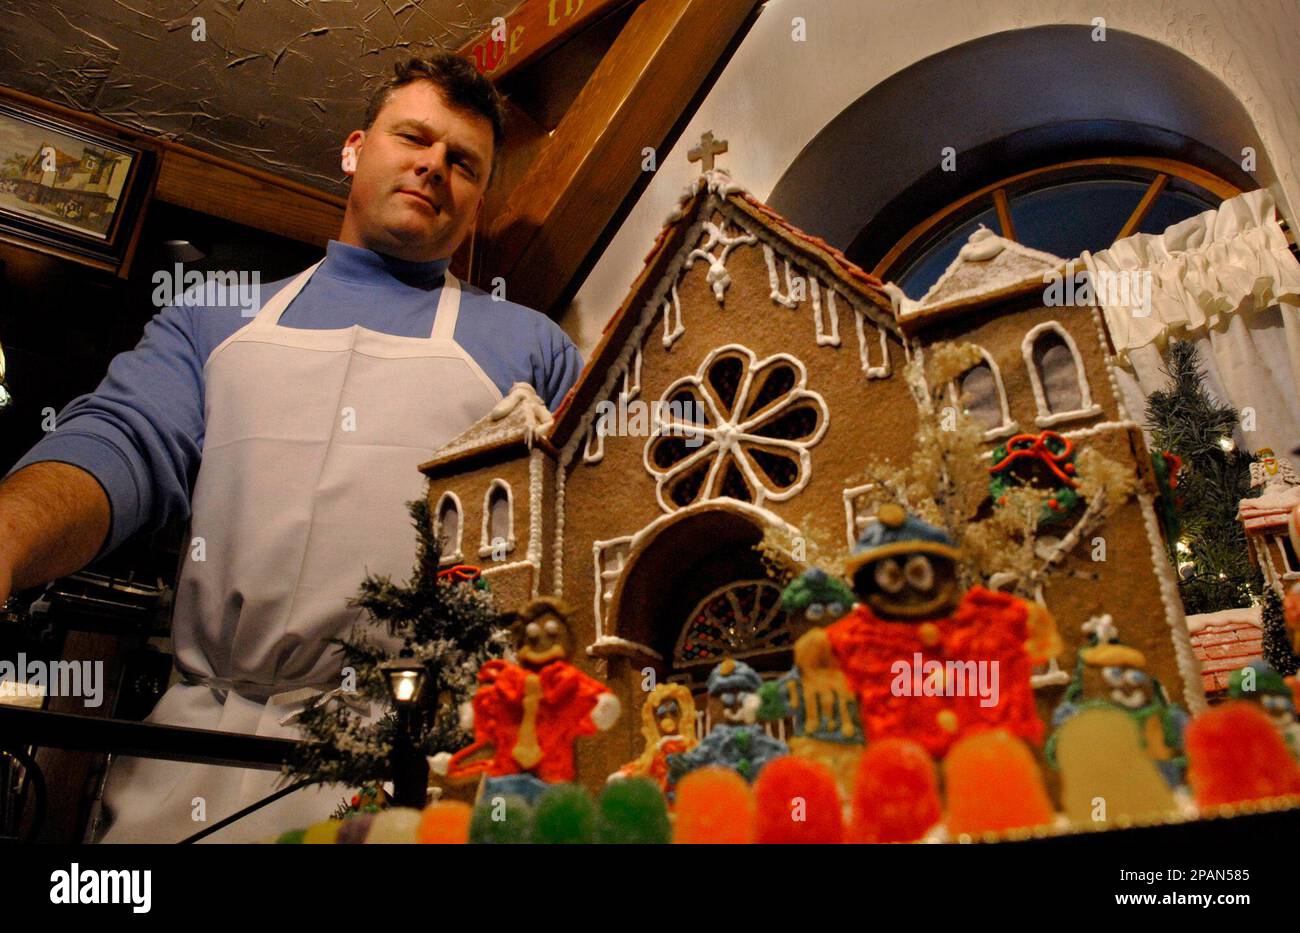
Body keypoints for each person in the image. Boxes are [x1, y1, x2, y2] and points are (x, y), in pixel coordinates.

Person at [0, 53, 583, 842]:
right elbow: (121, 441)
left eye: (464, 163)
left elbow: (597, 515)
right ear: (353, 149)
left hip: (410, 767)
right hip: (190, 755)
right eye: (414, 136)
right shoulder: (213, 319)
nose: (434, 165)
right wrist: (8, 538)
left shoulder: (532, 348)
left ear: (477, 201)